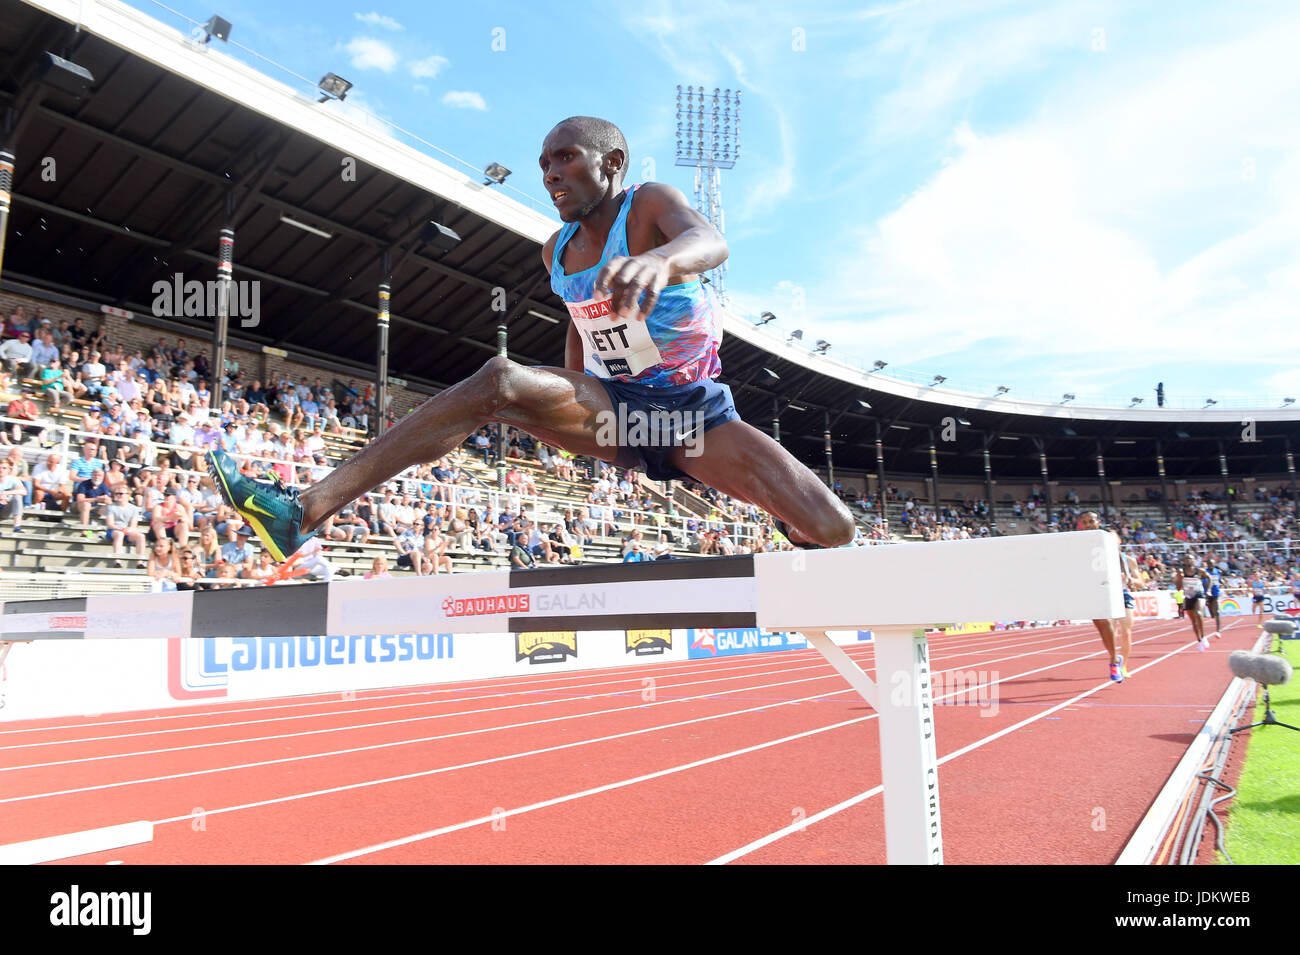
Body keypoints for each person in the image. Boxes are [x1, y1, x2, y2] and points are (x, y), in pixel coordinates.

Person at [206, 116, 854, 562]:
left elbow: (711, 241)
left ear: (613, 163)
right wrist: (574, 399)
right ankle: (300, 511)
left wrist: (661, 262)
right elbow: (582, 329)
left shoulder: (650, 204)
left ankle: (781, 515)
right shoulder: (557, 251)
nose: (550, 172)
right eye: (544, 163)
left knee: (832, 528)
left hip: (694, 420)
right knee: (499, 381)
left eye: (565, 157)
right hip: (617, 413)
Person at [1077, 512, 1132, 683]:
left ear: (1098, 521)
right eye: (1084, 522)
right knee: (1100, 623)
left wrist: (1124, 573)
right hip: (1090, 584)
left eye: (1091, 521)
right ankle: (1114, 657)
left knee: (1107, 620)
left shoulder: (1107, 536)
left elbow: (1118, 555)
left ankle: (1114, 660)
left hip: (1108, 583)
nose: (1088, 524)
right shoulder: (1077, 540)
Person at [1175, 557, 1210, 651]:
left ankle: (1203, 637)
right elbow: (1178, 588)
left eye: (1190, 559)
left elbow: (1209, 577)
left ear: (1194, 561)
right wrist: (1179, 577)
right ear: (1184, 561)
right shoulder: (1182, 572)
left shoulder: (1199, 571)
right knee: (1193, 621)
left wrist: (1208, 590)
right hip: (1188, 596)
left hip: (1199, 594)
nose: (1188, 560)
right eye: (1187, 559)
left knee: (1199, 614)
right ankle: (1199, 641)